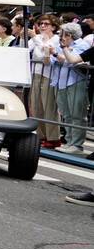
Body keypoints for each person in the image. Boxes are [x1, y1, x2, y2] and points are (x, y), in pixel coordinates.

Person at [52, 22, 91, 154]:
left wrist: (61, 53)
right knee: (66, 114)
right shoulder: (62, 45)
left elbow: (71, 61)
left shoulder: (81, 45)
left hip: (76, 81)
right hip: (61, 82)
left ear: (70, 34)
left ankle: (77, 144)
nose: (61, 37)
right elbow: (55, 60)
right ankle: (69, 141)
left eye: (63, 34)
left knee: (77, 114)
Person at [27, 15, 63, 147]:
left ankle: (53, 137)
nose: (42, 26)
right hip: (36, 73)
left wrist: (35, 38)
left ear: (53, 26)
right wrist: (26, 37)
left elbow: (45, 54)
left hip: (48, 75)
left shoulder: (56, 39)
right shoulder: (39, 38)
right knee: (36, 106)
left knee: (49, 107)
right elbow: (26, 48)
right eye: (41, 23)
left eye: (46, 24)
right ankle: (41, 135)